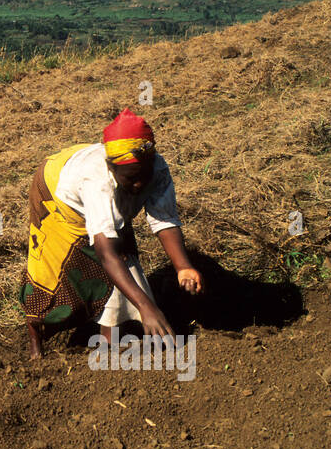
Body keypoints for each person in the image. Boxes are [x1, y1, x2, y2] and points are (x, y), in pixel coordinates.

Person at [19, 108, 202, 359]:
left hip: (91, 183)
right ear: (111, 169)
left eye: (143, 176)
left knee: (126, 262)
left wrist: (183, 266)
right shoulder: (98, 182)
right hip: (56, 194)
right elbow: (106, 255)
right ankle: (36, 343)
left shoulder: (157, 169)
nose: (138, 185)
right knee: (54, 272)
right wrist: (146, 307)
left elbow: (164, 219)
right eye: (131, 178)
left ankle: (108, 341)